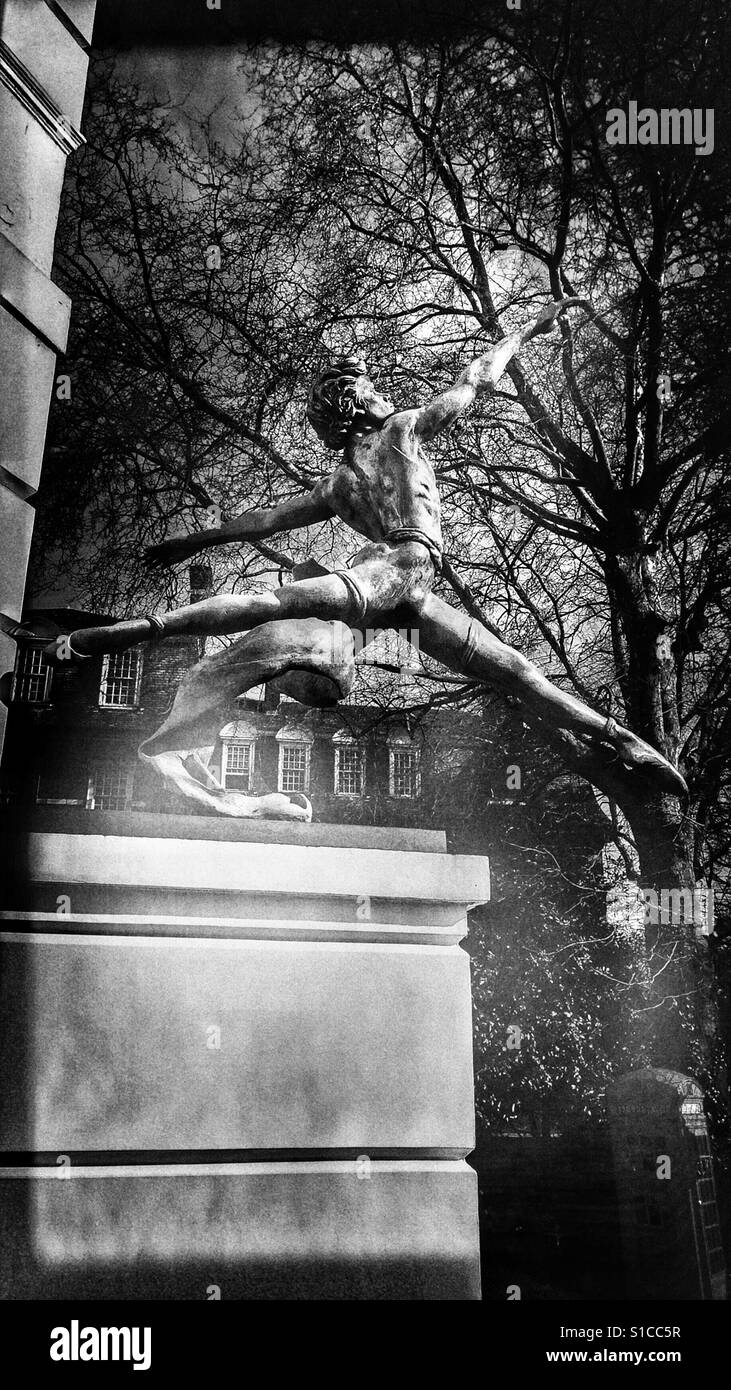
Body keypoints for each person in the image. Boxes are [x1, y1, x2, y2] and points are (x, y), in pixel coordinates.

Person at [53, 298, 687, 808]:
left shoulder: (337, 484)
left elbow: (260, 519)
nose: (382, 391)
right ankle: (124, 634)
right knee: (265, 603)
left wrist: (194, 537)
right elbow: (477, 380)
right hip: (393, 573)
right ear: (352, 402)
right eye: (370, 385)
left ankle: (623, 740)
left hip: (409, 594)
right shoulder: (403, 429)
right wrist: (527, 330)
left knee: (514, 669)